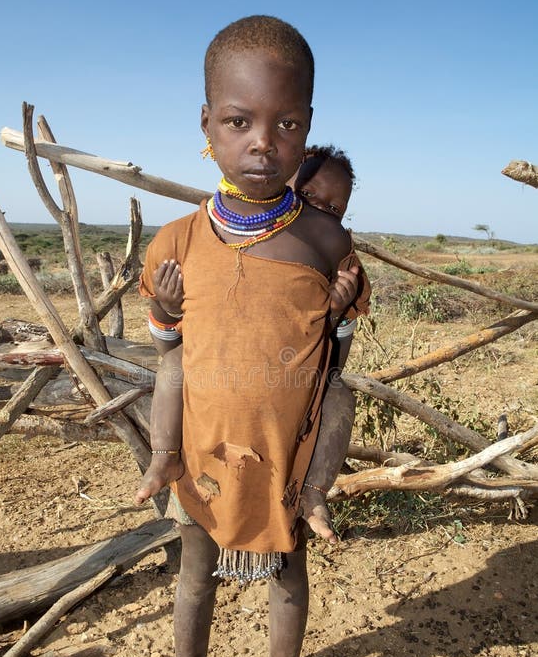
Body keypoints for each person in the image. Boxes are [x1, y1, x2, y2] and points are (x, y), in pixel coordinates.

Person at [137, 15, 369, 657]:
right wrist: (166, 315)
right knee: (195, 577)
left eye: (287, 123)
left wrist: (336, 315)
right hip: (205, 455)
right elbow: (163, 340)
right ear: (207, 125)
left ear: (306, 127)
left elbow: (334, 361)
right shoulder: (176, 241)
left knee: (287, 579)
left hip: (284, 459)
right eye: (240, 121)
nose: (264, 142)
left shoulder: (326, 244)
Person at [136, 144, 371, 511]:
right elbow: (168, 351)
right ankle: (165, 457)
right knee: (197, 552)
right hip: (209, 411)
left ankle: (312, 493)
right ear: (281, 181)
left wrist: (335, 312)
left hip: (285, 417)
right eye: (307, 195)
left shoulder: (335, 261)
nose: (318, 211)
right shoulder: (200, 241)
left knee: (339, 393)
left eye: (333, 208)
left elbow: (332, 365)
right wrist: (168, 307)